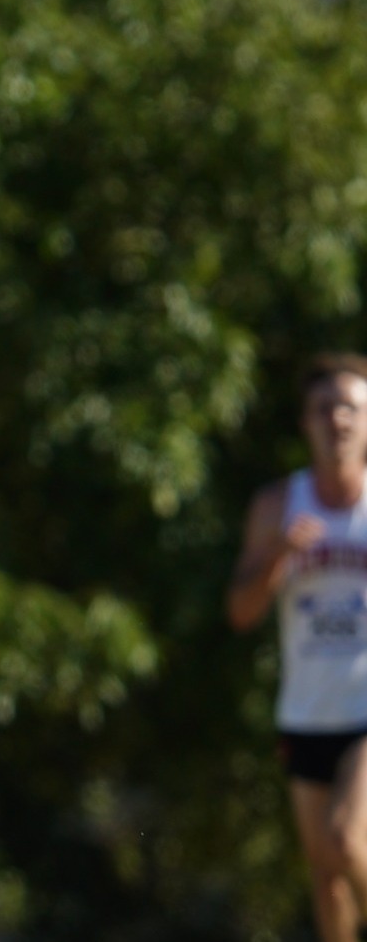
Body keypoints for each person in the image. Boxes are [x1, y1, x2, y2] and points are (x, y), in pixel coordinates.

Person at [228, 354, 367, 942]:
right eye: (324, 408)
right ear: (305, 424)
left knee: (345, 839)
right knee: (326, 876)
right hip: (307, 710)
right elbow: (240, 613)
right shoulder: (277, 506)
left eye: (352, 408)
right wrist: (279, 556)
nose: (337, 419)